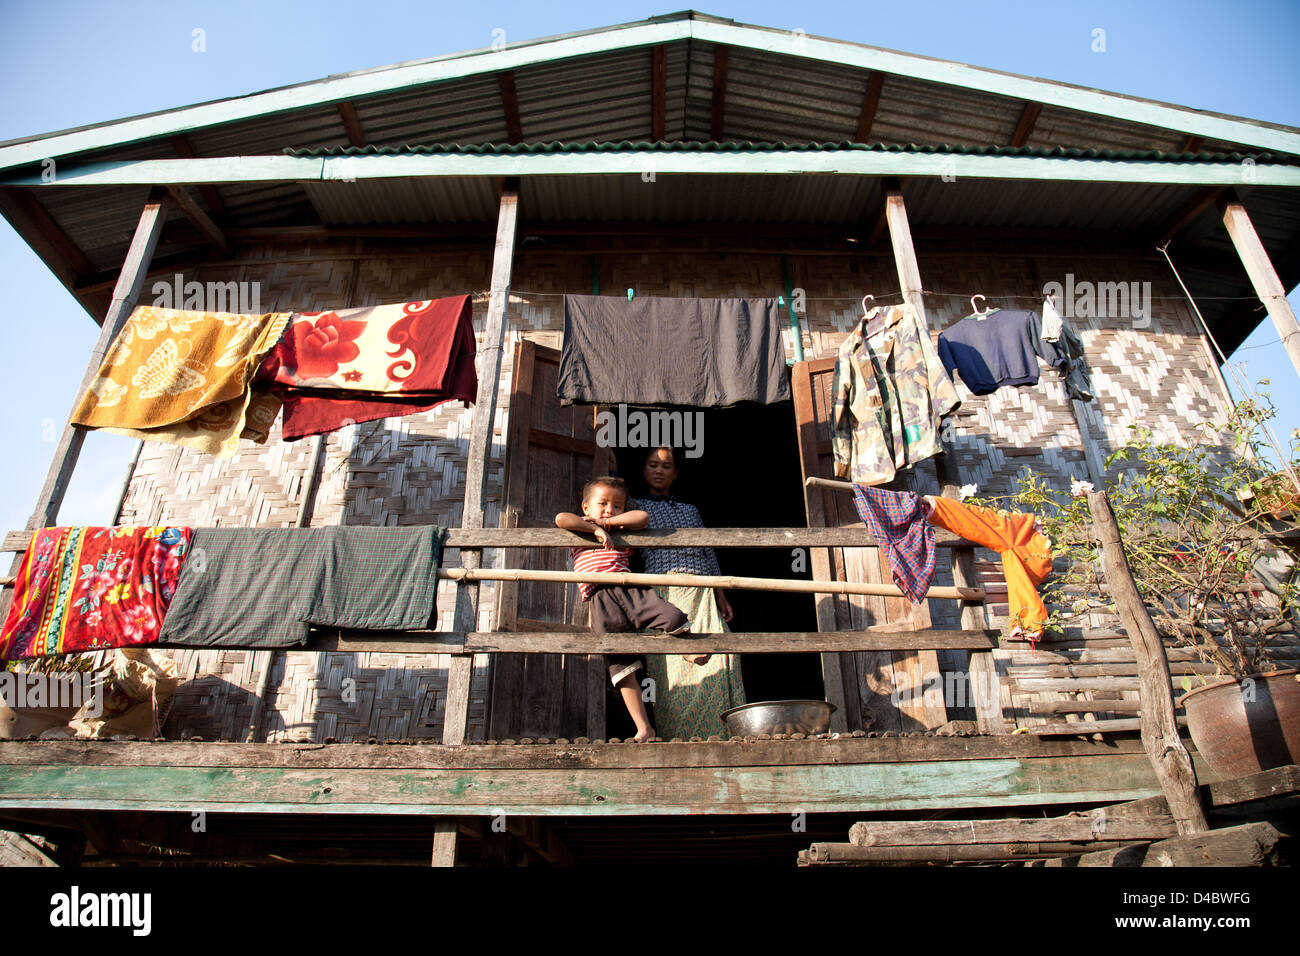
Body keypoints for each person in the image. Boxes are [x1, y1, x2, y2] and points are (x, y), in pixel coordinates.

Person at [555, 475, 689, 742]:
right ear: (585, 507)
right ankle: (644, 728)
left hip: (629, 590)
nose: (609, 509)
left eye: (617, 505)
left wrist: (608, 523)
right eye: (602, 504)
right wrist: (594, 529)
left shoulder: (620, 528)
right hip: (601, 601)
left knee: (672, 616)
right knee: (622, 667)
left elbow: (642, 518)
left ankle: (688, 650)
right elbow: (560, 518)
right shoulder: (579, 529)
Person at [629, 447, 747, 740]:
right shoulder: (634, 507)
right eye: (653, 465)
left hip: (702, 592)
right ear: (643, 470)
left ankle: (725, 736)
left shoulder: (690, 509)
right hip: (663, 592)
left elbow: (707, 551)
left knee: (722, 655)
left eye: (666, 466)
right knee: (669, 665)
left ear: (676, 473)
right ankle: (676, 739)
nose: (659, 470)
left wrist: (720, 593)